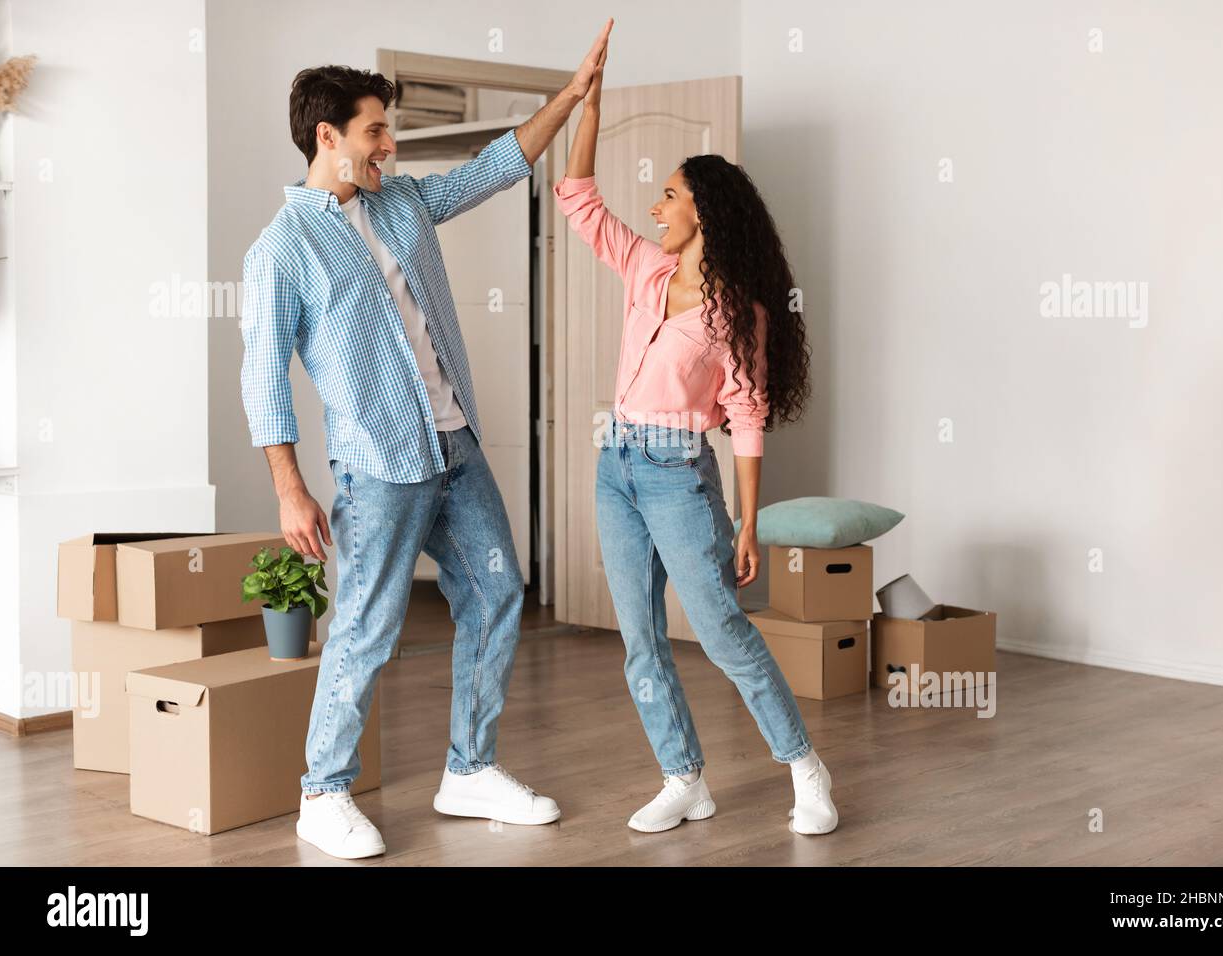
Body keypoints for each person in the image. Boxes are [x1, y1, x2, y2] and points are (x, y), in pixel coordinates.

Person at [239, 20, 614, 859]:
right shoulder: (281, 250)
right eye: (375, 130)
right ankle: (322, 793)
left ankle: (469, 768)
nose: (389, 144)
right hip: (379, 466)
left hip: (457, 447)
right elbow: (262, 379)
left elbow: (497, 165)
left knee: (496, 592)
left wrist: (573, 94)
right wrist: (288, 488)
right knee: (367, 628)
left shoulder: (401, 201)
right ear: (327, 137)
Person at [552, 39, 836, 835]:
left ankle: (805, 770)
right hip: (617, 464)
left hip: (680, 472)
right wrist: (589, 106)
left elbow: (747, 413)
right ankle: (684, 778)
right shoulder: (644, 268)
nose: (655, 207)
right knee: (639, 641)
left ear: (702, 210)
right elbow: (577, 198)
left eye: (668, 194)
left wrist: (749, 520)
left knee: (720, 632)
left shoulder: (734, 311)